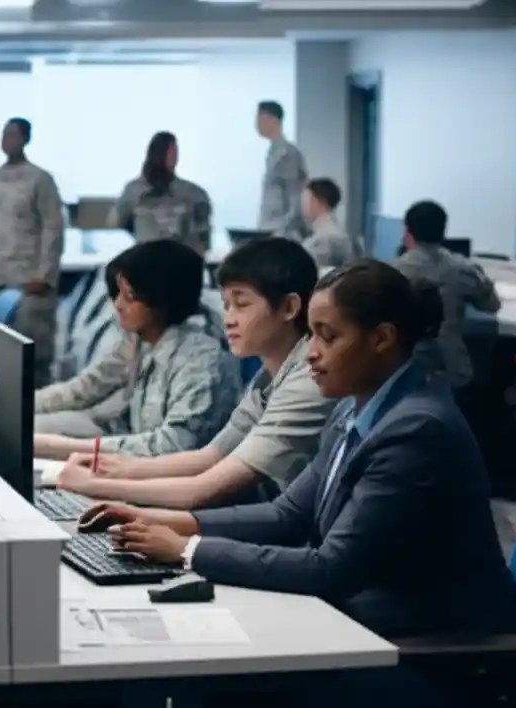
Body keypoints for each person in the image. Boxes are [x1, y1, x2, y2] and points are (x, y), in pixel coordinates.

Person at [79, 260, 516, 708]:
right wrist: (161, 521)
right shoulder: (358, 409)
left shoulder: (415, 431)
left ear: (382, 339)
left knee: (229, 691)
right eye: (311, 334)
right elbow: (287, 515)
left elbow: (328, 569)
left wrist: (184, 550)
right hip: (374, 621)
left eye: (327, 336)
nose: (311, 351)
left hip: (437, 656)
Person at [56, 237, 333, 508]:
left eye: (242, 304)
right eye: (226, 305)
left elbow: (205, 487)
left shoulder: (307, 379)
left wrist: (95, 485)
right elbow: (209, 457)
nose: (229, 318)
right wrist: (123, 468)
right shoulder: (266, 378)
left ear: (289, 308)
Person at [33, 240, 240, 459]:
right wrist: (20, 404)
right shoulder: (141, 337)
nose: (118, 304)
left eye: (130, 297)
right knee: (35, 428)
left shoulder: (200, 360)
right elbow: (88, 388)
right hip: (134, 443)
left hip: (168, 472)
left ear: (161, 298)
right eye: (118, 294)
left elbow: (173, 445)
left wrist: (67, 448)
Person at [0, 117, 65, 385]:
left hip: (29, 281)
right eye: (4, 134)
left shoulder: (39, 179)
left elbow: (53, 228)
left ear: (26, 138)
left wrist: (44, 274)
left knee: (32, 355)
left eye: (13, 134)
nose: (7, 140)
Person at [391, 200, 500, 388]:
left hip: (404, 370)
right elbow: (491, 305)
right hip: (452, 370)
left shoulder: (392, 272)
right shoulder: (462, 268)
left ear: (407, 232)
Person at [109, 131, 213, 256]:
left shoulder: (194, 193)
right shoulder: (134, 190)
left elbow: (204, 233)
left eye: (175, 151)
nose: (174, 156)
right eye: (169, 152)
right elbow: (117, 221)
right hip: (146, 260)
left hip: (182, 260)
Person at [256, 101, 309, 240]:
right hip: (270, 228)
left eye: (260, 119)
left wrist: (282, 229)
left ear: (273, 120)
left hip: (281, 232)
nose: (257, 125)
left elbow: (295, 196)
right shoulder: (273, 152)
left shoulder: (287, 153)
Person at [301, 178, 362, 268]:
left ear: (319, 202)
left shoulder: (326, 239)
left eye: (306, 200)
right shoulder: (337, 232)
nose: (303, 207)